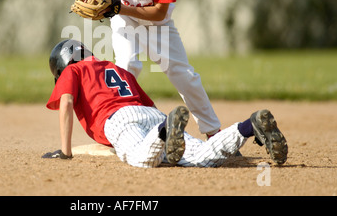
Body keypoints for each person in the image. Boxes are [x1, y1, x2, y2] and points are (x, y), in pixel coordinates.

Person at [42, 39, 288, 168]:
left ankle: (165, 132)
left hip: (117, 119)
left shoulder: (72, 71)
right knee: (203, 157)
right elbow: (145, 102)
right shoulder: (114, 67)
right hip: (151, 113)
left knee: (141, 159)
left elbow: (66, 101)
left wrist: (65, 152)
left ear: (64, 65)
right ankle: (248, 126)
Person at [88, 0, 221, 139]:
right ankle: (120, 129)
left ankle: (213, 131)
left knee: (184, 75)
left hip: (158, 24)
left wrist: (119, 8)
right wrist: (92, 0)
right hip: (125, 19)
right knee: (127, 64)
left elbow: (159, 13)